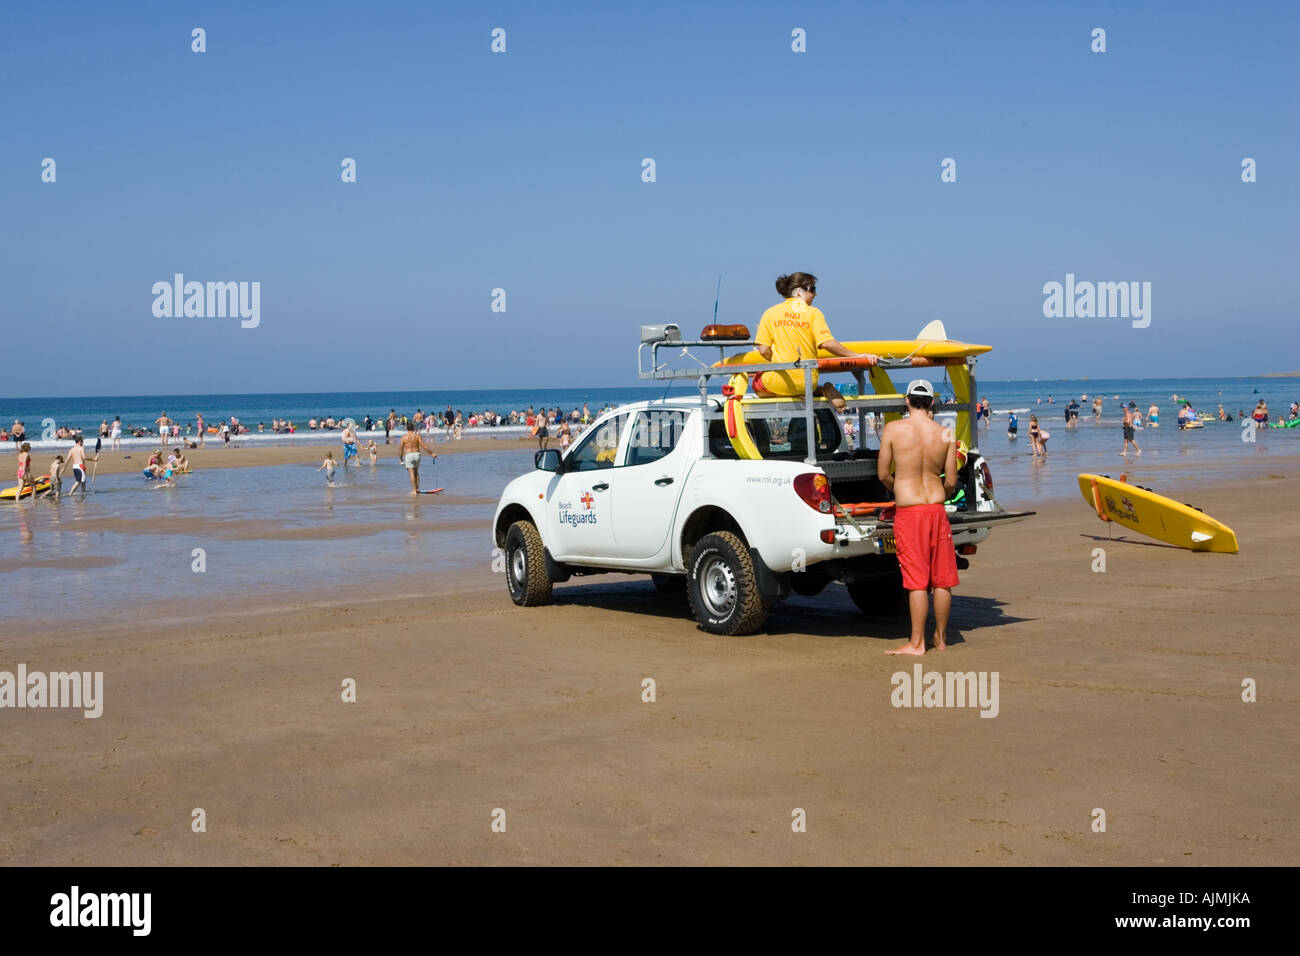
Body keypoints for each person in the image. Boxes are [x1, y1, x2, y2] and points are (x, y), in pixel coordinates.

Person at [879, 380, 960, 656]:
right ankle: (940, 638)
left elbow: (882, 474)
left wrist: (899, 486)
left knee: (916, 580)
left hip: (910, 511)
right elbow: (951, 480)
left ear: (907, 400)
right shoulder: (946, 433)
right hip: (936, 509)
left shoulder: (893, 429)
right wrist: (938, 492)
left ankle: (917, 643)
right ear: (933, 403)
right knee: (942, 579)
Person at [749, 273, 874, 412]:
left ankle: (812, 391)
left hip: (780, 382)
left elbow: (763, 350)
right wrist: (857, 356)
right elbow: (827, 343)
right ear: (799, 292)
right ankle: (820, 389)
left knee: (757, 382)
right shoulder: (813, 313)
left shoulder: (770, 313)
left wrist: (780, 362)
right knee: (802, 386)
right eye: (812, 289)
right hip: (809, 382)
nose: (815, 294)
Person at [398, 421, 437, 494]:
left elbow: (401, 449)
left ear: (406, 428)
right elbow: (424, 446)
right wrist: (432, 453)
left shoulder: (403, 437)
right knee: (416, 472)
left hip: (409, 455)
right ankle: (417, 488)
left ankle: (413, 490)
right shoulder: (417, 436)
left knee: (411, 473)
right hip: (417, 454)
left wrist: (400, 458)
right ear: (413, 427)